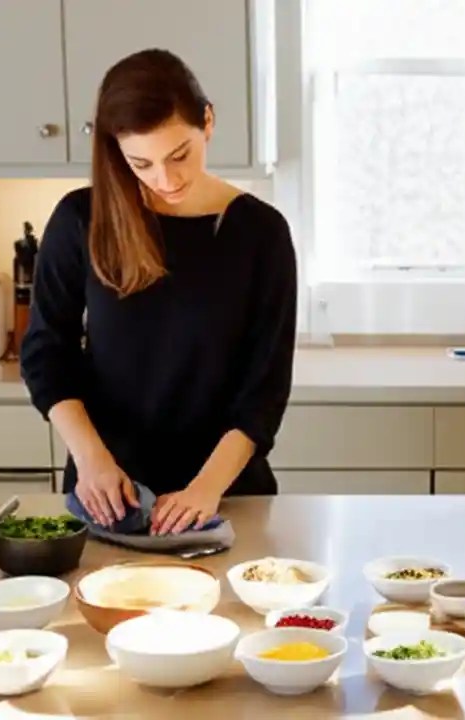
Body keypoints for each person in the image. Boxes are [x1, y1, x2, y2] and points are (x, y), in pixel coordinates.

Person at [20, 49, 297, 536]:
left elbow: (264, 390)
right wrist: (92, 461)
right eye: (140, 163)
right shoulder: (81, 220)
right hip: (107, 497)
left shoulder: (261, 233)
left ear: (207, 122)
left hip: (225, 498)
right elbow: (47, 354)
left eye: (179, 155)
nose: (165, 180)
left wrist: (205, 489)